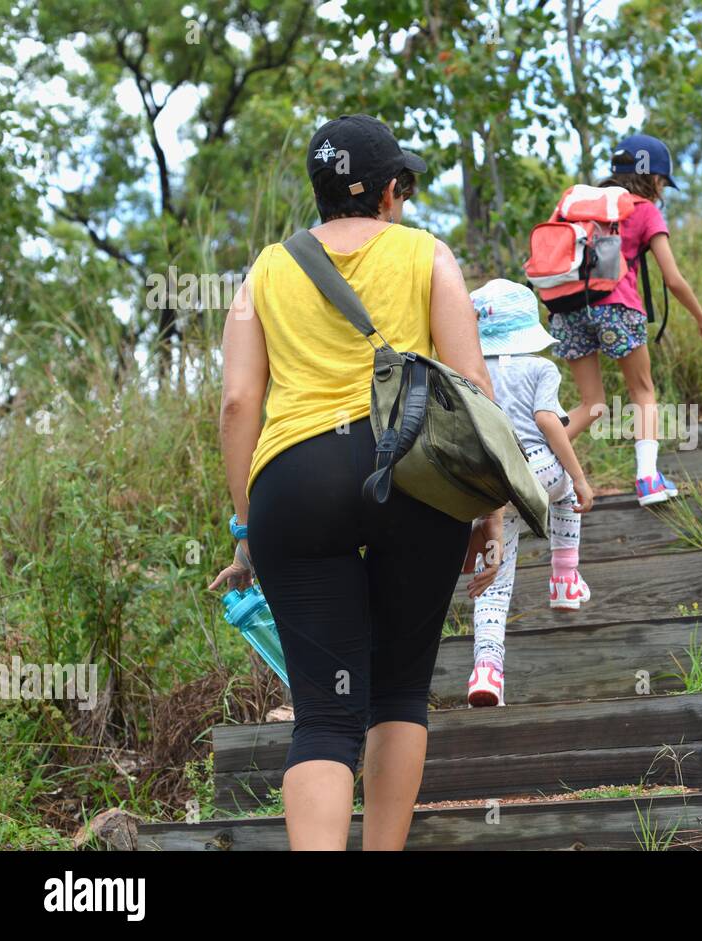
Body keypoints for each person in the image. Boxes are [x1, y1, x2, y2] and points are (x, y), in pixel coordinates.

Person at [209, 114, 504, 851]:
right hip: (412, 476)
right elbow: (470, 382)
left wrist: (248, 528)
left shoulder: (264, 271)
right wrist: (488, 506)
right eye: (401, 187)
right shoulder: (428, 255)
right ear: (388, 192)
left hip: (295, 483)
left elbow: (238, 403)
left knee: (324, 714)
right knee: (399, 691)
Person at [552, 133, 702, 507]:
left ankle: (533, 467)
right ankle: (647, 480)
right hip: (616, 307)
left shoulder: (577, 203)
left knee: (592, 404)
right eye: (662, 182)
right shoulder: (643, 208)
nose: (661, 190)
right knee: (642, 391)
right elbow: (673, 279)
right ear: (653, 177)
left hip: (567, 309)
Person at [467, 279, 594, 708]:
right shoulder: (540, 368)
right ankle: (564, 578)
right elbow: (547, 421)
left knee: (493, 585)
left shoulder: (469, 374)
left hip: (486, 490)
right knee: (564, 490)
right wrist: (578, 478)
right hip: (537, 474)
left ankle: (487, 671)